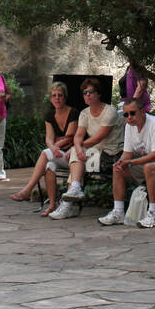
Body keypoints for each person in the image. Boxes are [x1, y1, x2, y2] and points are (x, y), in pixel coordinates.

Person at [98, 97, 155, 229]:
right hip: (151, 163)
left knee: (149, 167)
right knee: (117, 169)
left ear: (143, 111)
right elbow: (127, 153)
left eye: (132, 113)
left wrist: (131, 162)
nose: (129, 117)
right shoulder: (129, 127)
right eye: (126, 114)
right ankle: (118, 211)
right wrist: (121, 162)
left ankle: (154, 214)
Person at [51, 78, 126, 219]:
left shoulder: (110, 111)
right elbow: (79, 135)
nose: (88, 95)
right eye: (85, 93)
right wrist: (78, 147)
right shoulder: (84, 113)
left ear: (98, 94)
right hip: (95, 152)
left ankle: (69, 200)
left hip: (111, 152)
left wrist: (78, 147)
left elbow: (99, 137)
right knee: (76, 155)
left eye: (91, 92)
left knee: (75, 156)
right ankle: (74, 190)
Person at [9, 83, 78, 214]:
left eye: (60, 95)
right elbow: (49, 138)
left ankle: (27, 190)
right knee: (49, 166)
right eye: (54, 96)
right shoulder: (50, 116)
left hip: (72, 156)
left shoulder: (73, 112)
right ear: (50, 98)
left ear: (65, 97)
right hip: (57, 154)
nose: (57, 98)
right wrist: (53, 148)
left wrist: (54, 148)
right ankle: (52, 205)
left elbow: (69, 137)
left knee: (45, 154)